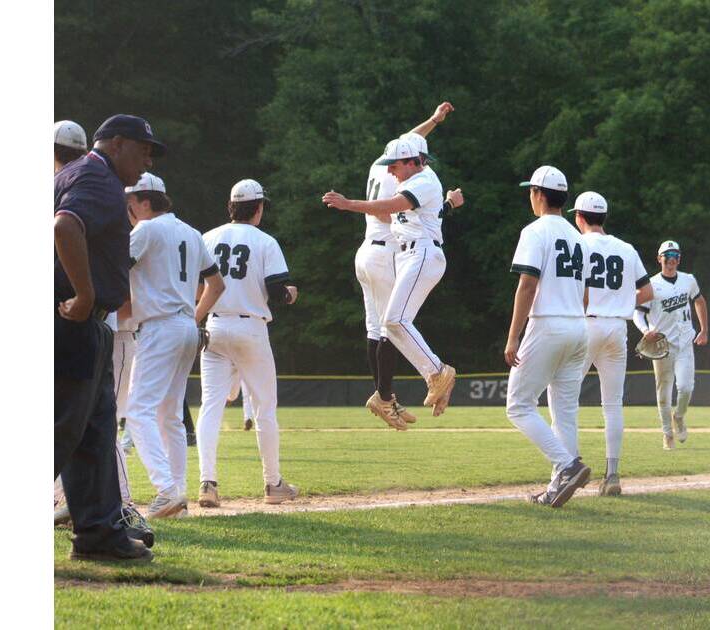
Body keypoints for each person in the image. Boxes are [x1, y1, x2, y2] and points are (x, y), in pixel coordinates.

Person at [55, 114, 165, 562]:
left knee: (95, 434)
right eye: (143, 149)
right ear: (116, 144)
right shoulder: (97, 178)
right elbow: (64, 226)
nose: (147, 160)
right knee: (62, 430)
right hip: (74, 322)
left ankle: (99, 534)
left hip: (86, 325)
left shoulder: (76, 173)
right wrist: (83, 293)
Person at [322, 137, 461, 425]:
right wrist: (448, 205)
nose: (390, 171)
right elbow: (400, 213)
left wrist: (348, 204)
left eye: (395, 166)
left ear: (414, 161)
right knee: (392, 324)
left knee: (394, 321)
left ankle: (438, 372)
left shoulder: (423, 179)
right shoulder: (411, 180)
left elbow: (396, 204)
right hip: (410, 255)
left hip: (422, 253)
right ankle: (433, 378)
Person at [122, 171, 225, 519]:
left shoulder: (147, 229)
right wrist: (192, 318)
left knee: (137, 410)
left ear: (146, 201)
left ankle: (166, 491)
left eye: (130, 202)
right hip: (185, 325)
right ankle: (176, 496)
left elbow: (118, 268)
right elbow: (217, 284)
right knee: (170, 417)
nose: (128, 210)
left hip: (159, 326)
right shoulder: (190, 232)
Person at [195, 179, 300, 508]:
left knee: (211, 406)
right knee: (265, 409)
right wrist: (291, 294)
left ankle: (207, 483)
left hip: (213, 325)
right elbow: (278, 291)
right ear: (258, 208)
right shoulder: (265, 241)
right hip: (251, 328)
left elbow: (198, 287)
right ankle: (273, 484)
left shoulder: (207, 237)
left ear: (230, 207)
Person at [504, 166, 592, 508]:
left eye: (531, 191)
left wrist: (513, 337)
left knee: (518, 404)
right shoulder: (577, 238)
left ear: (539, 194)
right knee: (565, 412)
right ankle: (558, 485)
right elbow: (584, 294)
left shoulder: (535, 231)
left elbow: (527, 285)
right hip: (578, 327)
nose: (530, 196)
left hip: (549, 325)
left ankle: (567, 466)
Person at [555, 191, 651, 496]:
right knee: (612, 404)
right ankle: (612, 475)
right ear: (604, 217)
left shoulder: (577, 243)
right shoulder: (626, 248)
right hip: (618, 328)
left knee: (566, 398)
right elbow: (647, 292)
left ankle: (565, 469)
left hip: (586, 324)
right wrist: (622, 300)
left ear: (579, 217)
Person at [632, 241, 709, 450]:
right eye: (667, 255)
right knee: (664, 391)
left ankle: (680, 416)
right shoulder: (651, 284)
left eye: (675, 254)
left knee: (685, 387)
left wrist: (703, 330)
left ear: (679, 258)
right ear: (659, 258)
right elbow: (637, 312)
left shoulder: (688, 280)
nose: (672, 258)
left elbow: (699, 301)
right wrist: (646, 331)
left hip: (684, 342)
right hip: (661, 345)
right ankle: (667, 434)